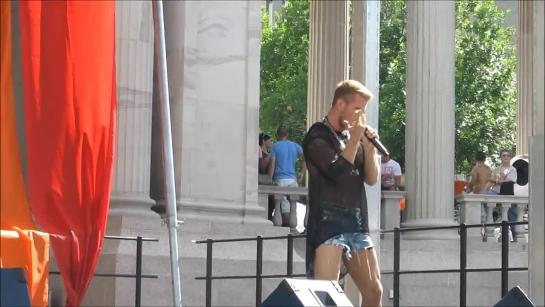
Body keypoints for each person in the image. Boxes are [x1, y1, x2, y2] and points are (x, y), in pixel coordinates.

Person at [302, 80, 382, 307]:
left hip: (356, 223)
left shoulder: (351, 137)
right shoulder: (318, 135)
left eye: (363, 110)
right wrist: (356, 138)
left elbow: (372, 178)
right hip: (329, 225)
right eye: (357, 108)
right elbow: (337, 171)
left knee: (374, 290)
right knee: (326, 295)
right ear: (340, 104)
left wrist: (367, 147)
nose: (360, 115)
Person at [268, 126, 305, 226]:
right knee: (293, 207)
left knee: (283, 209)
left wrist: (269, 179)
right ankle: (292, 230)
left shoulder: (275, 147)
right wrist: (302, 174)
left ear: (276, 135)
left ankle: (286, 232)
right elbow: (305, 158)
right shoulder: (295, 146)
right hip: (292, 180)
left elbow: (272, 164)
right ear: (287, 135)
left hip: (280, 180)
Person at [487, 149, 517, 239]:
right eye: (504, 155)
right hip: (496, 191)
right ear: (501, 157)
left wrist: (498, 181)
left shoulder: (513, 169)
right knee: (484, 198)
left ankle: (516, 236)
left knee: (512, 214)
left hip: (508, 193)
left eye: (507, 155)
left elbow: (509, 180)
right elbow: (491, 181)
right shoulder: (496, 169)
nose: (506, 157)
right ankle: (486, 227)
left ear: (510, 157)